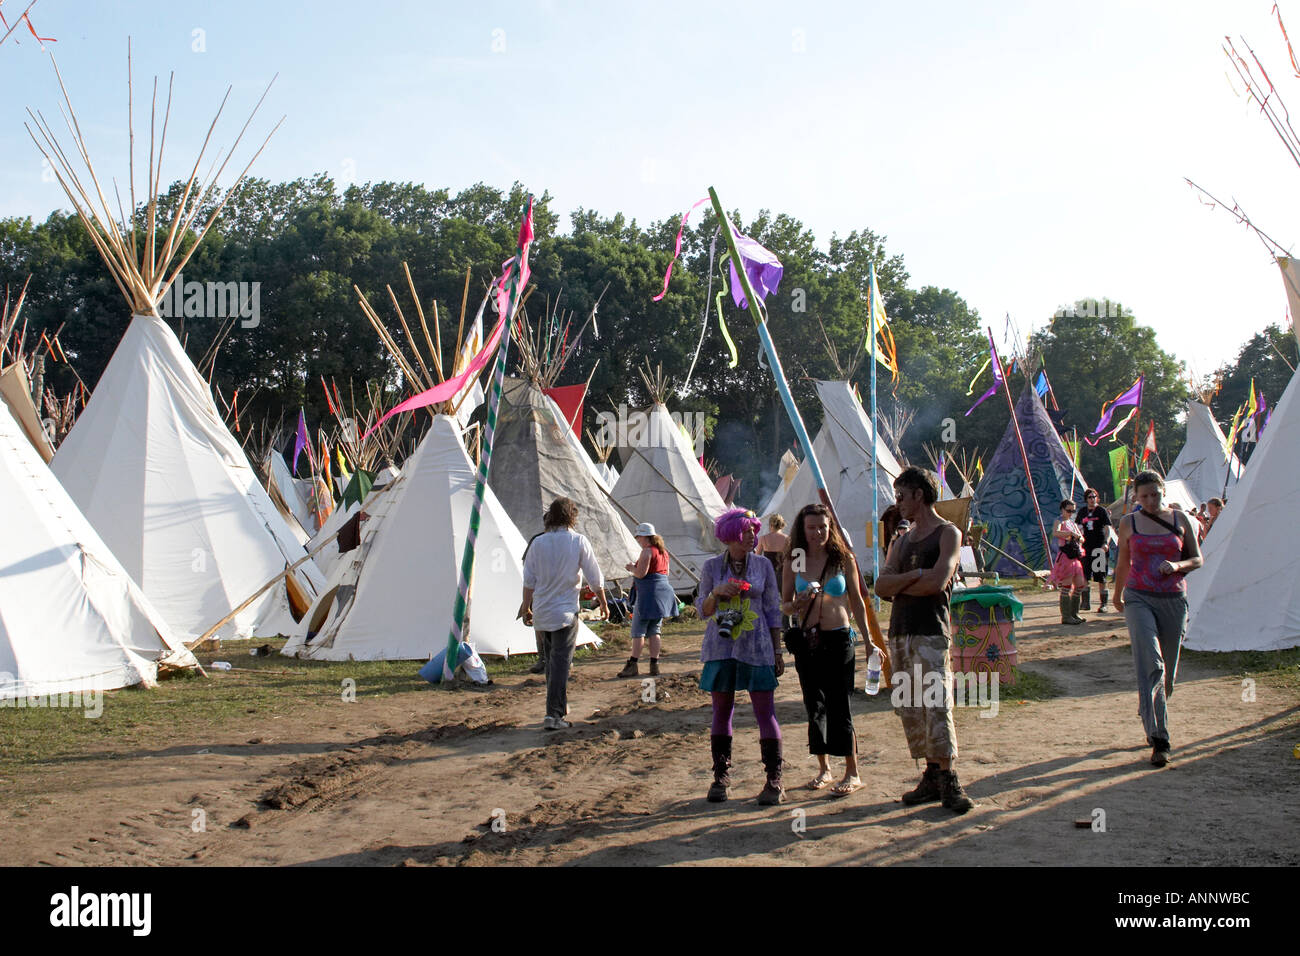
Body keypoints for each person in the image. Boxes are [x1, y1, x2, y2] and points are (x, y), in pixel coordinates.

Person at [874, 466, 973, 814]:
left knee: (937, 703)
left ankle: (949, 777)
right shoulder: (901, 541)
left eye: (902, 495)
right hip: (900, 631)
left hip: (931, 629)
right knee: (910, 706)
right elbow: (881, 586)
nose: (898, 503)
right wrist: (917, 574)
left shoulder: (949, 533)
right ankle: (931, 774)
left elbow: (938, 581)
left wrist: (904, 581)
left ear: (919, 494)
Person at [780, 503, 886, 796]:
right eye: (812, 527)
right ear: (802, 529)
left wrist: (868, 639)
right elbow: (784, 604)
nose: (818, 533)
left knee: (841, 704)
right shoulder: (795, 560)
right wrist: (797, 603)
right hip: (808, 641)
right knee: (814, 704)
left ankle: (852, 771)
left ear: (831, 529)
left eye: (823, 527)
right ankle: (824, 768)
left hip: (839, 639)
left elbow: (858, 601)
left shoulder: (842, 559)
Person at [1113, 471, 1204, 767]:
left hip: (1174, 599)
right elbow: (1123, 561)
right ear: (1136, 498)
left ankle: (1149, 707)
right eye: (1144, 496)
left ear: (1163, 491)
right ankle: (1160, 738)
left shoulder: (1181, 520)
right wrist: (1117, 595)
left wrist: (1177, 566)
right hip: (1139, 597)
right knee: (1152, 664)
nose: (1151, 501)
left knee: (1168, 673)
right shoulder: (1129, 523)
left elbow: (1197, 558)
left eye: (1155, 494)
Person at [697, 508, 785, 805]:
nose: (752, 536)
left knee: (765, 711)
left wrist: (777, 650)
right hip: (721, 648)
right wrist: (717, 593)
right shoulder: (711, 567)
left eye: (754, 531)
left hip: (757, 647)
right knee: (721, 712)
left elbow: (773, 609)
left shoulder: (763, 566)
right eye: (747, 532)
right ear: (732, 534)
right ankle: (720, 777)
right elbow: (702, 610)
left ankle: (774, 779)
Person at [520, 497, 609, 730]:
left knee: (552, 662)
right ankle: (554, 714)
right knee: (560, 663)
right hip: (565, 613)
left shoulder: (538, 543)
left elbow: (529, 579)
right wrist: (604, 603)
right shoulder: (578, 541)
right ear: (572, 516)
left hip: (542, 611)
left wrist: (526, 605)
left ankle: (559, 704)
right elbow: (594, 578)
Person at [617, 523, 677, 678]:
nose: (638, 540)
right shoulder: (664, 552)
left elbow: (641, 574)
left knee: (638, 631)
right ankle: (654, 665)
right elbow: (666, 572)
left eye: (639, 537)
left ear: (644, 537)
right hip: (662, 593)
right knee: (654, 630)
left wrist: (631, 568)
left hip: (648, 595)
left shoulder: (647, 552)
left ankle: (633, 664)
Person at [1051, 499, 1087, 625]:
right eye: (1068, 510)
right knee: (1066, 585)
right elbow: (1056, 532)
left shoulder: (1073, 523)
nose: (1071, 513)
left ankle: (1074, 613)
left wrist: (1078, 537)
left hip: (1075, 557)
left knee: (1079, 585)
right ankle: (1066, 616)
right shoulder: (1059, 520)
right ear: (1062, 509)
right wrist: (1070, 534)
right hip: (1066, 556)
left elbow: (1081, 538)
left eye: (1073, 511)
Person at [1077, 489, 1113, 612]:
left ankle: (1103, 604)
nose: (1092, 499)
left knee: (1101, 576)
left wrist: (1106, 543)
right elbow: (1078, 528)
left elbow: (1108, 528)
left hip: (1099, 547)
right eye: (1089, 497)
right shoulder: (1082, 512)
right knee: (1085, 575)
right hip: (1086, 547)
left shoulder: (1101, 511)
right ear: (1086, 499)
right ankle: (1085, 602)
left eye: (1094, 497)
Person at [757, 513, 789, 580]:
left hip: (767, 572)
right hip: (782, 573)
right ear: (782, 525)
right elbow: (789, 558)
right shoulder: (787, 539)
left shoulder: (763, 538)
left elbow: (757, 557)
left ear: (770, 525)